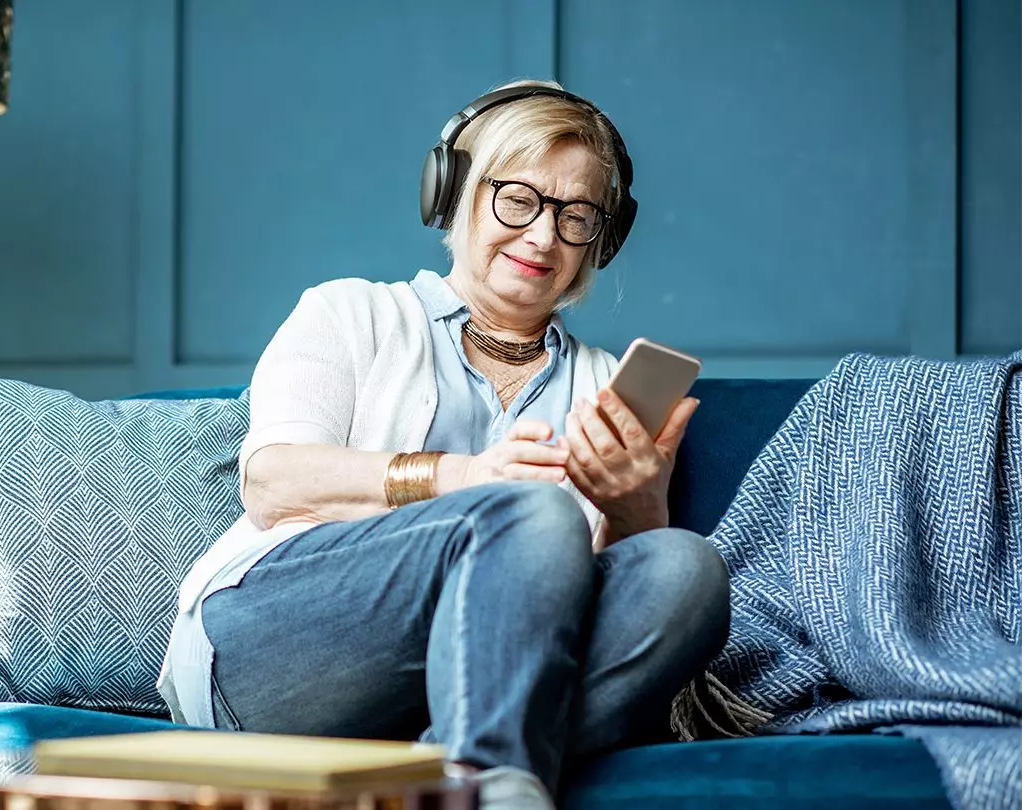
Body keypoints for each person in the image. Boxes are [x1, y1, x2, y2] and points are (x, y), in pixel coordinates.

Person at [156, 79, 730, 810]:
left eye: (576, 215)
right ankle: (490, 782)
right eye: (518, 198)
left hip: (461, 691)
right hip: (274, 653)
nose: (544, 236)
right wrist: (462, 477)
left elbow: (620, 591)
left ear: (603, 240)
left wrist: (635, 505)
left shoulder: (606, 387)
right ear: (452, 191)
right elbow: (274, 481)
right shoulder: (348, 312)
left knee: (688, 569)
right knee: (531, 512)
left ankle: (443, 770)